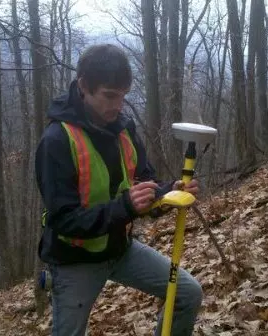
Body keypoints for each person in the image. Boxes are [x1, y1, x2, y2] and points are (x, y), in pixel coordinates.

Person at [35, 44, 202, 336]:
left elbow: (143, 180)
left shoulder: (123, 128)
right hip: (75, 260)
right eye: (109, 96)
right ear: (84, 85)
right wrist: (125, 207)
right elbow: (63, 219)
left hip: (121, 249)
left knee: (188, 293)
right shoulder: (57, 140)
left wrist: (167, 192)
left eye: (123, 96)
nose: (117, 106)